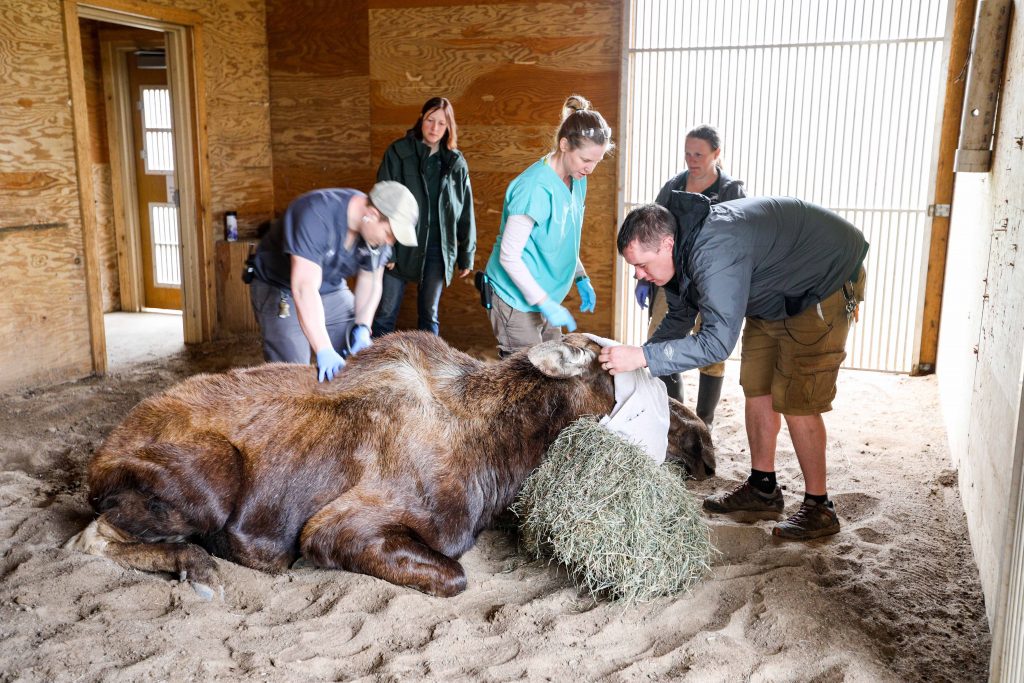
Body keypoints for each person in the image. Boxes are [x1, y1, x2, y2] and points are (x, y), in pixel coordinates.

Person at [603, 195, 868, 540]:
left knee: (797, 400)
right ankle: (763, 488)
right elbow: (681, 315)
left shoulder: (714, 252)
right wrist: (643, 360)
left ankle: (820, 507)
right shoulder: (680, 248)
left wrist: (643, 357)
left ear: (666, 243)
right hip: (773, 292)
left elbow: (716, 344)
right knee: (757, 386)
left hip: (822, 281)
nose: (639, 275)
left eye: (642, 265)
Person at [248, 182, 418, 382]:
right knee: (294, 371)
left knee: (359, 356)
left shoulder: (376, 236)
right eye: (389, 234)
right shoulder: (315, 214)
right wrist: (324, 350)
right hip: (283, 288)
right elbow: (304, 287)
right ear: (372, 214)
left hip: (331, 287)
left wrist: (363, 326)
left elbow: (371, 281)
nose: (389, 242)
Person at [483, 95, 612, 356]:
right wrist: (543, 302)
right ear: (564, 145)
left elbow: (565, 234)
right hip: (515, 297)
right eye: (585, 160)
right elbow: (509, 256)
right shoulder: (534, 187)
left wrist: (580, 275)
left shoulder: (577, 178)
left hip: (546, 295)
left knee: (554, 366)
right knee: (528, 372)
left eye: (596, 162)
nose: (590, 169)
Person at [636, 124, 745, 426]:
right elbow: (650, 230)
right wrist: (644, 277)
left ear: (716, 153)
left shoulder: (730, 190)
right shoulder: (673, 187)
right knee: (662, 340)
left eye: (699, 154)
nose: (691, 160)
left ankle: (704, 421)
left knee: (712, 346)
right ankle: (677, 416)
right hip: (674, 282)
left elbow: (740, 239)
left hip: (714, 282)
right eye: (687, 153)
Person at [372, 97, 476, 337]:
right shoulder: (398, 152)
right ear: (421, 119)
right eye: (430, 120)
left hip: (437, 248)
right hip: (399, 243)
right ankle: (373, 359)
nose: (434, 128)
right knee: (385, 312)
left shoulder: (456, 162)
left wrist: (466, 253)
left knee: (429, 315)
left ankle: (429, 361)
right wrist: (388, 250)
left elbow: (465, 209)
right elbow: (382, 200)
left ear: (449, 127)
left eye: (441, 123)